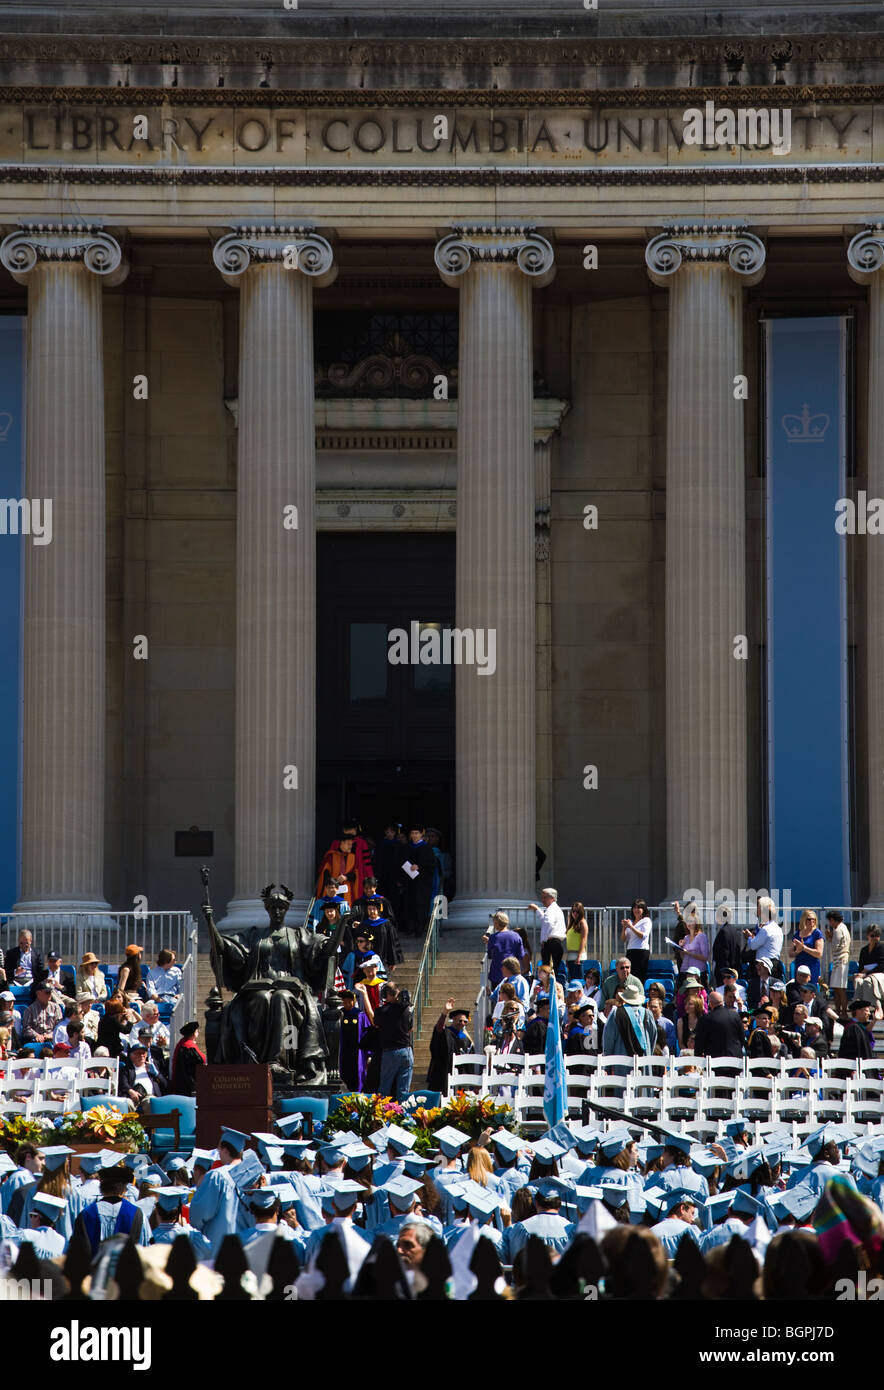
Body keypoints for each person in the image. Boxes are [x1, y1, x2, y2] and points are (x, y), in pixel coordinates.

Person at [188, 1126, 248, 1258]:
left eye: (219, 1149)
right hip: (247, 1247)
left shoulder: (216, 1176)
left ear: (225, 1150)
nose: (219, 1153)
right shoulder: (252, 1175)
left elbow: (199, 1214)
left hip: (220, 1247)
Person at [70, 1164, 150, 1258]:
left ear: (101, 1187)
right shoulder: (137, 1214)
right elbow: (145, 1248)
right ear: (124, 1189)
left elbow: (77, 1251)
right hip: (127, 1271)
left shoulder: (86, 1214)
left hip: (93, 1271)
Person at [374, 980, 414, 1102]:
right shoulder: (406, 1009)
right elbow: (410, 1028)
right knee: (403, 1090)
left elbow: (375, 1023)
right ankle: (403, 1116)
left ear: (387, 995)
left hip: (390, 1052)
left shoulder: (382, 1011)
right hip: (406, 1050)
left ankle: (381, 1116)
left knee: (384, 1089)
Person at [602, 975, 658, 1056]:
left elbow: (609, 1038)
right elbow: (653, 1036)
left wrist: (608, 1059)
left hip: (621, 1058)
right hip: (644, 1058)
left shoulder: (615, 1013)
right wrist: (648, 1053)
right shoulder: (647, 1013)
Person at [427, 1000, 474, 1093]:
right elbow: (439, 1029)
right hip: (442, 1072)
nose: (462, 1023)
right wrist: (444, 1013)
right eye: (460, 1020)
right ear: (453, 1019)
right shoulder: (446, 1032)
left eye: (465, 1021)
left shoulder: (466, 1038)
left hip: (460, 1075)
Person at [694, 990, 745, 1059]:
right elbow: (742, 1037)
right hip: (735, 1059)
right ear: (722, 1001)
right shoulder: (735, 1015)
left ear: (710, 1004)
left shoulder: (705, 1019)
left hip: (714, 1061)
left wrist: (698, 1057)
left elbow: (699, 1042)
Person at [483, 911, 525, 990]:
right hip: (513, 973)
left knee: (498, 999)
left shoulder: (493, 937)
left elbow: (490, 955)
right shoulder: (516, 936)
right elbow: (521, 955)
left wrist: (489, 943)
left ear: (496, 922)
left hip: (497, 973)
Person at [120, 1040, 168, 1108]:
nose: (142, 1055)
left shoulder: (151, 1068)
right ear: (131, 1056)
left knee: (150, 1102)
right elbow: (123, 1083)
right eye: (138, 1053)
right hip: (133, 1097)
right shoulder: (127, 1069)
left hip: (149, 1096)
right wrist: (130, 1091)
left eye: (144, 1053)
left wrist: (157, 1074)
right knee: (127, 1103)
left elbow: (165, 1084)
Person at [744, 897, 784, 977]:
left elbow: (752, 945)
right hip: (775, 963)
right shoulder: (777, 928)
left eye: (758, 907)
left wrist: (748, 937)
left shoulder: (766, 929)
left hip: (765, 966)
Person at [529, 887, 566, 973]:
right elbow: (545, 920)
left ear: (552, 898)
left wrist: (544, 940)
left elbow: (548, 923)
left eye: (545, 897)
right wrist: (537, 909)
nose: (542, 900)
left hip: (550, 943)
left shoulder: (551, 909)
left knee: (547, 971)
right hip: (557, 943)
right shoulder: (556, 909)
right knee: (553, 971)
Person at [4, 929, 47, 997]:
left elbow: (40, 971)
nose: (24, 945)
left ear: (31, 941)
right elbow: (6, 971)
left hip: (32, 980)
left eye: (26, 943)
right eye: (21, 943)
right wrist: (16, 972)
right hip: (16, 980)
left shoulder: (37, 954)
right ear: (18, 942)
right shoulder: (11, 953)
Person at [825, 910, 851, 1017]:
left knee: (840, 989)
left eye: (830, 921)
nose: (830, 924)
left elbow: (835, 946)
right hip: (841, 961)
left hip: (840, 961)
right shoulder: (844, 927)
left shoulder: (838, 930)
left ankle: (842, 1012)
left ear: (832, 920)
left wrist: (829, 937)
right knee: (838, 988)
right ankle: (839, 1011)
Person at [676, 904, 709, 986]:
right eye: (688, 922)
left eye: (692, 922)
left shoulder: (701, 936)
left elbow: (705, 957)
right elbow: (683, 957)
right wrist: (681, 948)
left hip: (698, 972)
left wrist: (688, 953)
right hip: (686, 971)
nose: (689, 924)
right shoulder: (686, 937)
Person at [621, 898, 652, 983]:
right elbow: (623, 939)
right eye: (634, 907)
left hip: (641, 951)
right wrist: (624, 927)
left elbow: (643, 935)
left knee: (639, 976)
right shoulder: (631, 921)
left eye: (639, 908)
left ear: (643, 909)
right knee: (629, 976)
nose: (636, 910)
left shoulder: (646, 920)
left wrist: (631, 926)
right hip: (630, 950)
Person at [789, 910, 825, 985]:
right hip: (799, 965)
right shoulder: (797, 934)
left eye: (814, 919)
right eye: (809, 919)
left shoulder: (817, 934)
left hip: (811, 966)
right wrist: (797, 951)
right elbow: (790, 953)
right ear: (804, 919)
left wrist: (804, 948)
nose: (811, 921)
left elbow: (819, 953)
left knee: (810, 989)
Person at [711, 910, 744, 985]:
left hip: (725, 972)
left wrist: (724, 972)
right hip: (734, 968)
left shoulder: (723, 931)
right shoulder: (734, 930)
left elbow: (724, 953)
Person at [564, 902, 589, 979]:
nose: (575, 913)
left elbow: (583, 939)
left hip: (578, 956)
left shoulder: (582, 922)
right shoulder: (571, 923)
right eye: (573, 911)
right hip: (571, 955)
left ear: (581, 912)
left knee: (579, 981)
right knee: (572, 981)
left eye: (577, 911)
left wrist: (579, 956)